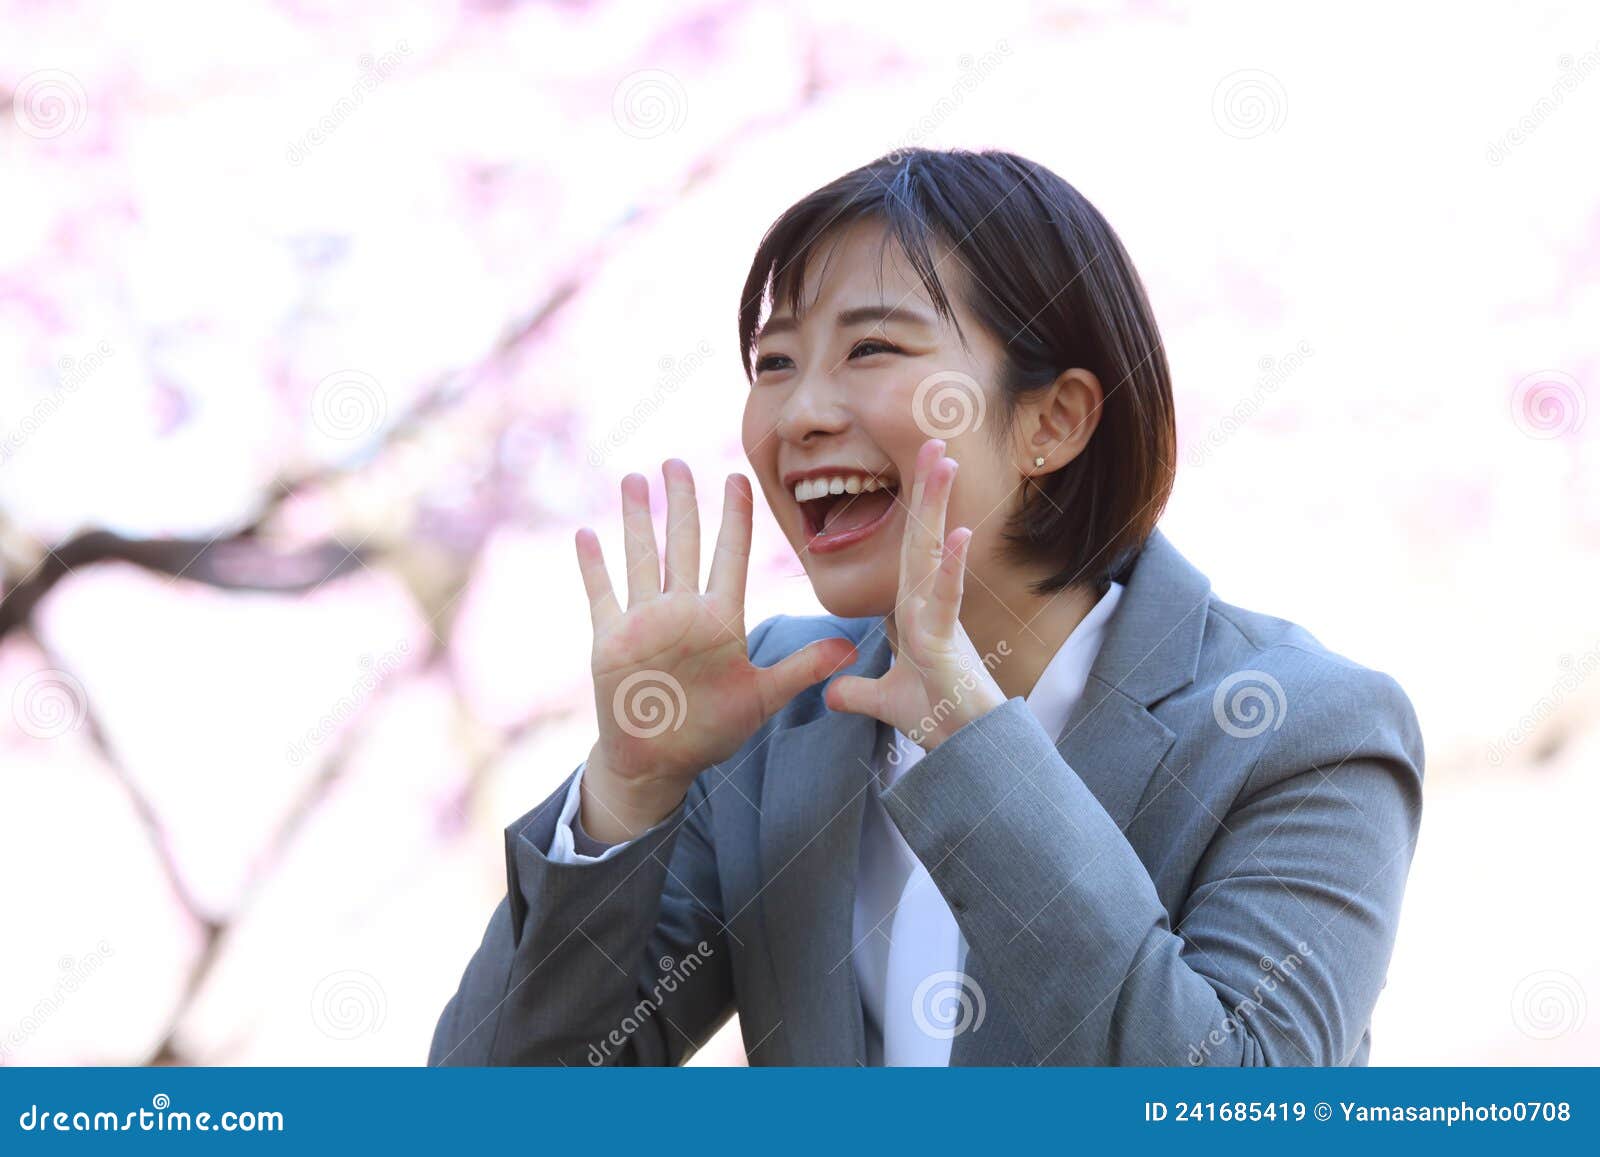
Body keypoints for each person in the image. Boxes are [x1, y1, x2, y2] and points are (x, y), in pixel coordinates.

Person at [428, 147, 1424, 1066]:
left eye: (870, 350)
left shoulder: (1302, 730)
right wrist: (627, 790)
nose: (803, 411)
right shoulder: (776, 715)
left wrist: (973, 744)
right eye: (774, 363)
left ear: (1054, 418)